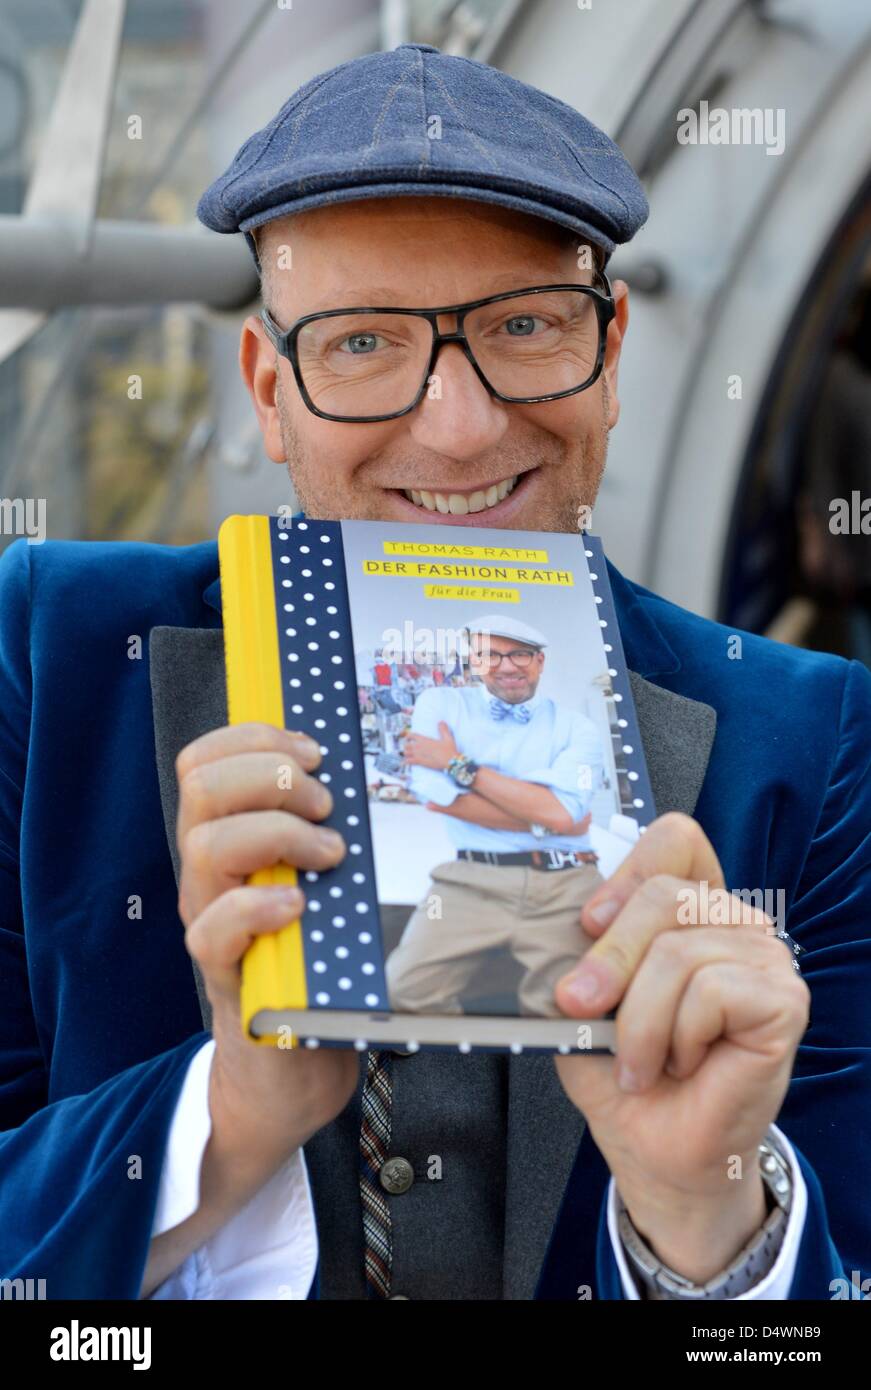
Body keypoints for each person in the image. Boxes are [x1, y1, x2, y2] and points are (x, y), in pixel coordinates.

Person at [0, 43, 867, 1303]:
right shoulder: (48, 646)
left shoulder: (807, 734)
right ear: (269, 391)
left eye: (524, 325)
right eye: (360, 344)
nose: (457, 427)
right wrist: (227, 1118)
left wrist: (706, 1216)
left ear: (611, 354)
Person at [390, 615, 604, 1016]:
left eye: (520, 654)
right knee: (405, 992)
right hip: (470, 881)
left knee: (570, 1011)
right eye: (491, 655)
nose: (507, 666)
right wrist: (547, 813)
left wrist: (458, 765)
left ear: (539, 661)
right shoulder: (439, 704)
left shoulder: (578, 728)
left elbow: (560, 811)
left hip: (568, 882)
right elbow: (436, 796)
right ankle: (467, 1073)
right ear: (474, 662)